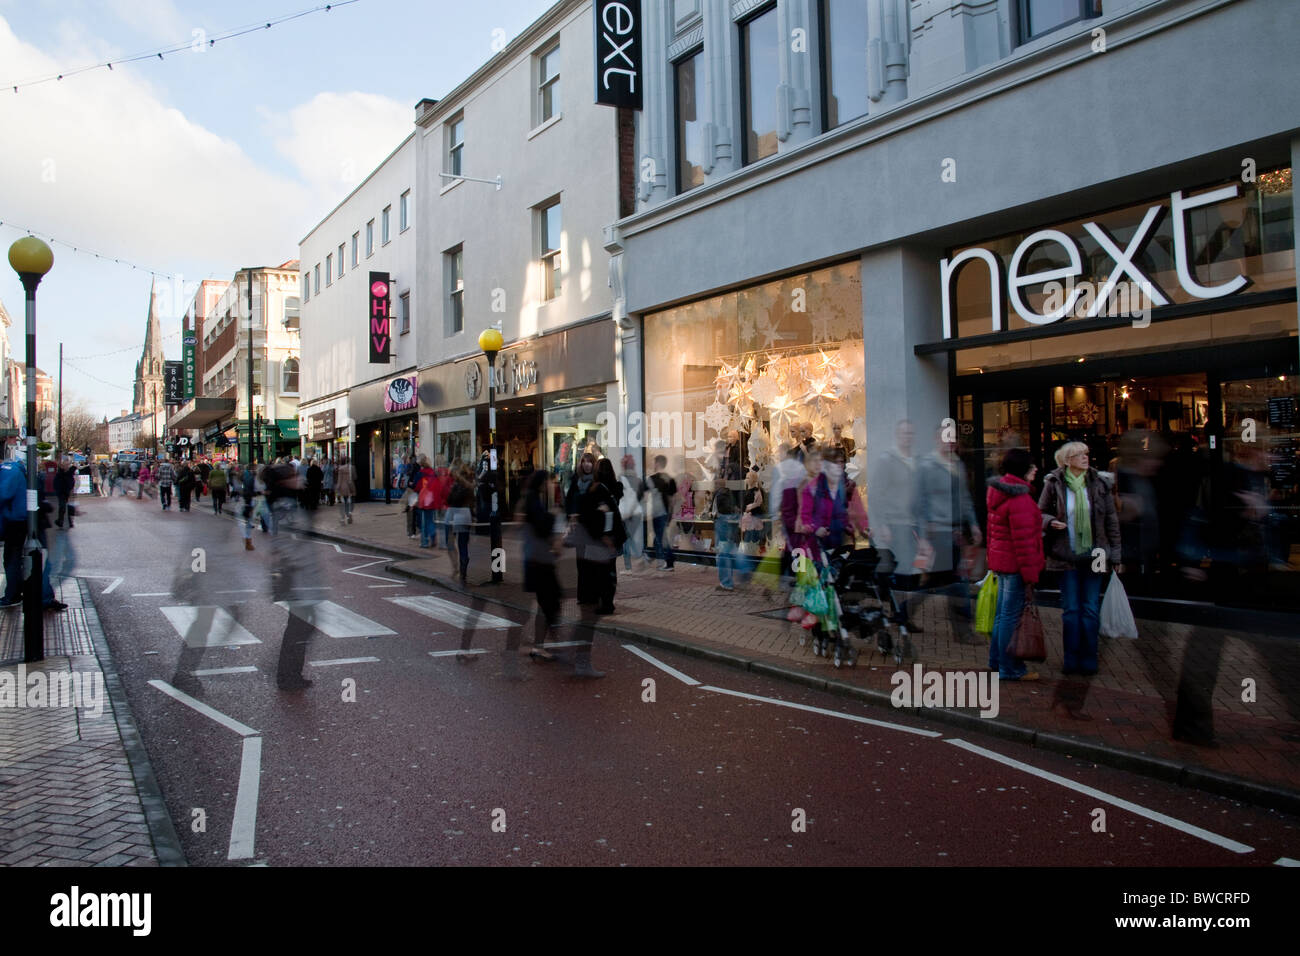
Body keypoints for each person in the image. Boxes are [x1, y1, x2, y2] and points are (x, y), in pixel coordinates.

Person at [1039, 441, 1122, 676]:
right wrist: (1049, 522)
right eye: (1079, 454)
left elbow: (1111, 521)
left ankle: (1089, 658)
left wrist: (1115, 554)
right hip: (1066, 555)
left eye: (1086, 453)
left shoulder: (1099, 482)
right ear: (1067, 460)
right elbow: (1040, 512)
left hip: (1095, 554)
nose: (1085, 458)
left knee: (1090, 609)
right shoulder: (1054, 483)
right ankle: (1071, 658)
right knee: (1072, 610)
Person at [916, 429, 983, 642]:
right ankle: (963, 632)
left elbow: (964, 498)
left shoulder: (957, 466)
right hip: (937, 532)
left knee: (938, 582)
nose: (952, 443)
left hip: (953, 532)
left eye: (954, 439)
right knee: (957, 581)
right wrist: (925, 533)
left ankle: (901, 613)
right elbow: (920, 500)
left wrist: (973, 524)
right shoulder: (928, 466)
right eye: (948, 439)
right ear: (938, 440)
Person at [985, 448, 1044, 681]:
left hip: (1002, 562)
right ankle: (1009, 668)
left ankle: (997, 661)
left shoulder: (999, 493)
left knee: (1002, 616)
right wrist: (1032, 574)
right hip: (1016, 566)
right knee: (1009, 616)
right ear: (1023, 470)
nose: (1036, 469)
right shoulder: (1020, 499)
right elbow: (1025, 543)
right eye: (1032, 466)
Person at [520, 469, 561, 663]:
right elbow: (542, 526)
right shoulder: (534, 501)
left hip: (537, 558)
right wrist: (553, 515)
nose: (549, 485)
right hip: (538, 560)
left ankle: (541, 642)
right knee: (549, 601)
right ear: (540, 483)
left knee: (548, 601)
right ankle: (540, 643)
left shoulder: (533, 499)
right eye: (547, 482)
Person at [575, 457, 623, 615]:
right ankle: (608, 601)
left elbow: (592, 514)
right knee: (610, 570)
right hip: (614, 535)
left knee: (600, 571)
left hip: (601, 536)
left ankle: (605, 603)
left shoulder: (595, 489)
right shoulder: (616, 487)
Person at [644, 454, 676, 571]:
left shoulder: (652, 479)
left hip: (657, 511)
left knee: (661, 537)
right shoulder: (670, 479)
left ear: (657, 464)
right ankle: (653, 555)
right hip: (665, 511)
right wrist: (670, 514)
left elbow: (646, 497)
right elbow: (672, 500)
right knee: (659, 535)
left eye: (654, 462)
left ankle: (667, 560)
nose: (653, 465)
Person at [445, 465, 474, 585]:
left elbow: (451, 500)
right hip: (465, 514)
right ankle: (462, 572)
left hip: (454, 514)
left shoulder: (459, 486)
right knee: (463, 545)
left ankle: (457, 569)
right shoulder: (470, 485)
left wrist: (451, 491)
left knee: (451, 543)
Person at [618, 454, 647, 572]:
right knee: (628, 538)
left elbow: (618, 496)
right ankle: (638, 558)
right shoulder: (638, 479)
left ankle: (630, 565)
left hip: (626, 513)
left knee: (626, 539)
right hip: (636, 513)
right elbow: (641, 498)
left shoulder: (621, 478)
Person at [712, 475, 740, 591]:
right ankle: (729, 581)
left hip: (722, 523)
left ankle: (726, 582)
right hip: (730, 522)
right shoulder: (730, 494)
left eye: (715, 484)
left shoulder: (719, 494)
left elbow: (718, 511)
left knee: (722, 554)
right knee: (728, 553)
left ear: (718, 485)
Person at [413, 455, 439, 548]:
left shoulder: (420, 473)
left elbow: (417, 487)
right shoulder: (433, 472)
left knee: (423, 522)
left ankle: (424, 542)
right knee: (430, 520)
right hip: (432, 499)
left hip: (423, 500)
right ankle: (433, 535)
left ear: (420, 463)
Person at [53, 456, 76, 528]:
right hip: (62, 492)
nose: (66, 466)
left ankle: (64, 521)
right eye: (65, 464)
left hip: (66, 491)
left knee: (65, 506)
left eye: (67, 464)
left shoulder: (67, 473)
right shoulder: (61, 473)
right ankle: (63, 521)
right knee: (63, 506)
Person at [335, 455, 356, 524]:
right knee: (351, 501)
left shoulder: (340, 469)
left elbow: (339, 480)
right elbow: (355, 477)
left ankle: (343, 518)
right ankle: (350, 512)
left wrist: (337, 488)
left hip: (343, 487)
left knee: (344, 502)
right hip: (351, 485)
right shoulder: (352, 468)